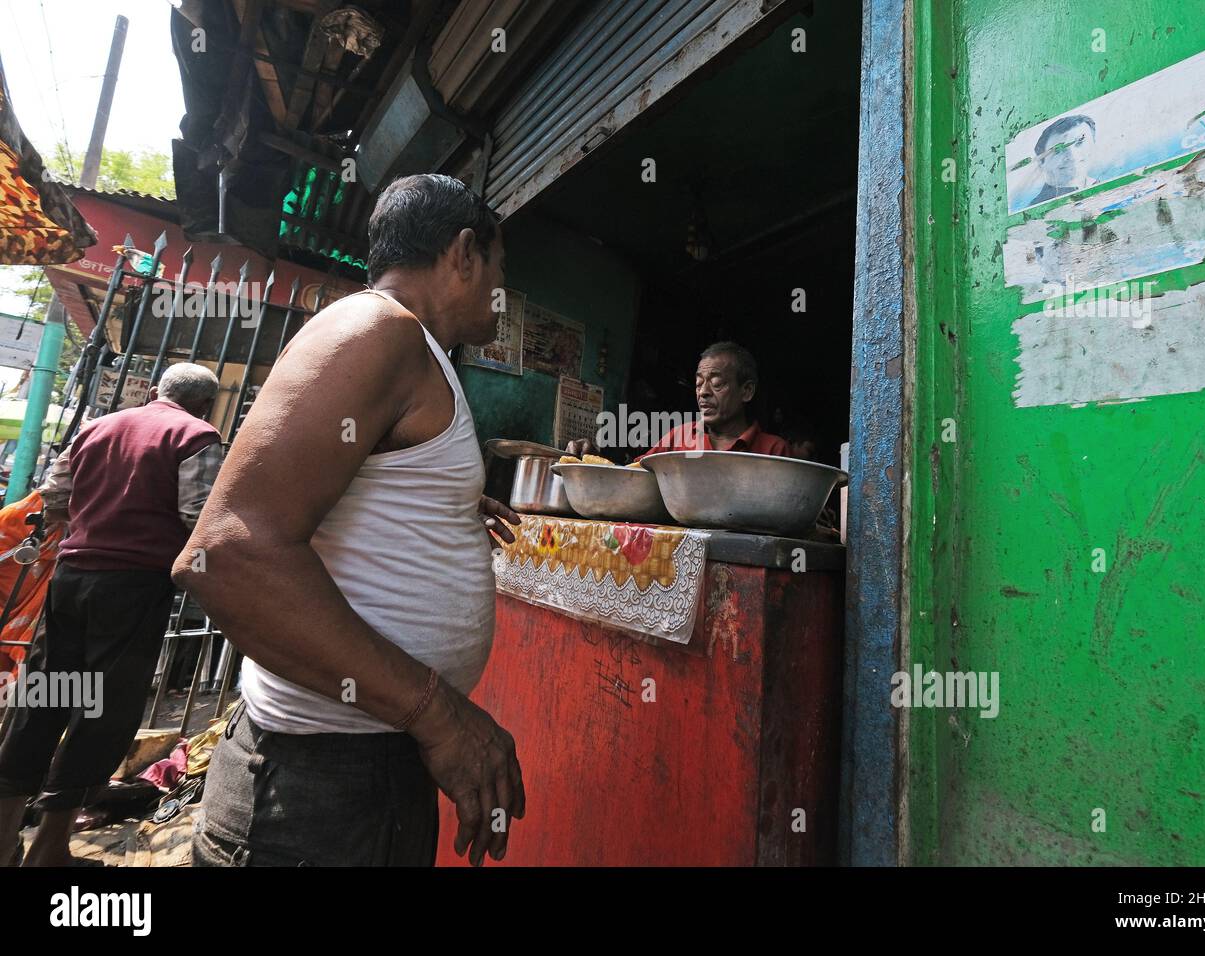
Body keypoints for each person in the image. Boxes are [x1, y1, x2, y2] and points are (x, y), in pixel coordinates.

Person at [176, 173, 525, 868]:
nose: (501, 293)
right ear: (463, 252)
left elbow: (348, 489)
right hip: (315, 794)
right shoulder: (379, 330)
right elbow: (227, 555)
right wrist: (442, 715)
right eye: (500, 269)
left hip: (356, 778)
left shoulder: (412, 347)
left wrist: (445, 512)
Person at [0, 362, 223, 867]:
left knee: (45, 698)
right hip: (134, 588)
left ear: (154, 392)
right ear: (206, 404)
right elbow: (199, 515)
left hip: (71, 581)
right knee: (104, 711)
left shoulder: (95, 427)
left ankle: (4, 836)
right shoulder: (197, 435)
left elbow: (54, 497)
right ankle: (51, 848)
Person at [569, 341, 790, 459]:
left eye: (716, 383)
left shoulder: (774, 450)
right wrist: (593, 458)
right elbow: (633, 477)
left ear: (747, 391)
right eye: (698, 383)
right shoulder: (679, 437)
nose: (703, 392)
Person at [1030, 114, 1098, 206]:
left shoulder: (1097, 185)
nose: (1073, 157)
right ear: (1041, 163)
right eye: (1058, 150)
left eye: (1080, 141)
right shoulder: (1037, 209)